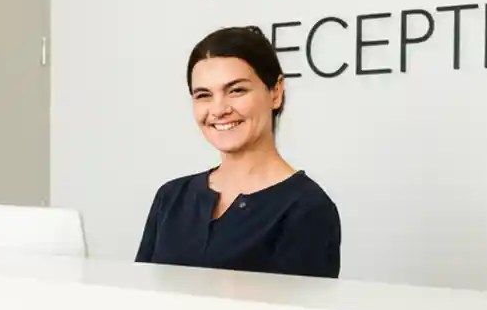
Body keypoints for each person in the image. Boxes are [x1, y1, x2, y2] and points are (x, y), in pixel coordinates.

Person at [135, 25, 342, 278]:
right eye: (203, 95)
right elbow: (142, 299)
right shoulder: (171, 198)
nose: (219, 109)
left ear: (275, 92)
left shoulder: (307, 209)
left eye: (236, 91)